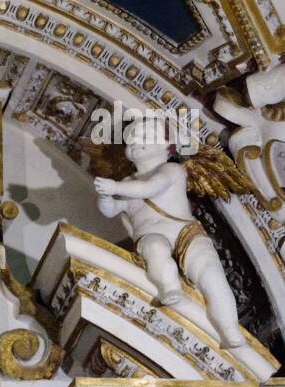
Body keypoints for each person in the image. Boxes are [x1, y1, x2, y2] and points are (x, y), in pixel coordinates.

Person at [94, 119, 243, 349]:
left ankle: (230, 330)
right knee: (155, 250)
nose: (135, 139)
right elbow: (111, 210)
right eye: (131, 135)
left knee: (210, 274)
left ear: (168, 146)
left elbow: (151, 187)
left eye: (146, 134)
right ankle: (170, 288)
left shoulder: (171, 170)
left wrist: (113, 189)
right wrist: (106, 197)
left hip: (186, 233)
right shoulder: (125, 182)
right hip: (150, 236)